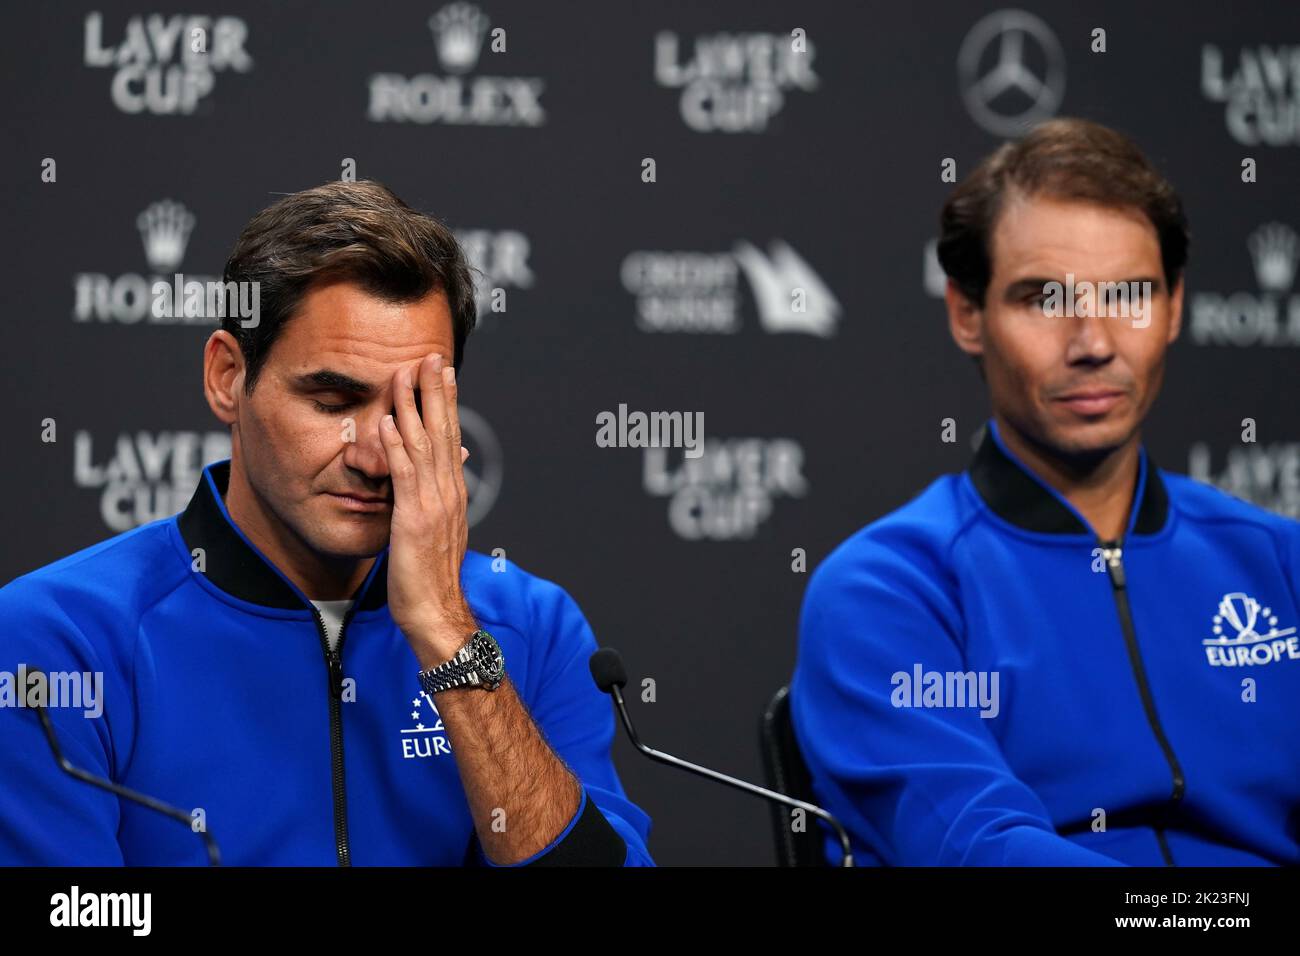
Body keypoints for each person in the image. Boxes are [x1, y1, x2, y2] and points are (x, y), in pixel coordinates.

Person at [0, 180, 653, 866]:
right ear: (228, 376)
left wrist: (445, 631)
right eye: (334, 399)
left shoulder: (531, 626)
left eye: (412, 409)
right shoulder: (55, 640)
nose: (376, 455)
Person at [791, 118, 1300, 866]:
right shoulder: (887, 591)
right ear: (968, 314)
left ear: (1175, 307)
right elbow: (983, 851)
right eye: (1043, 299)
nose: (1093, 342)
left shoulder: (1279, 562)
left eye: (1130, 294)